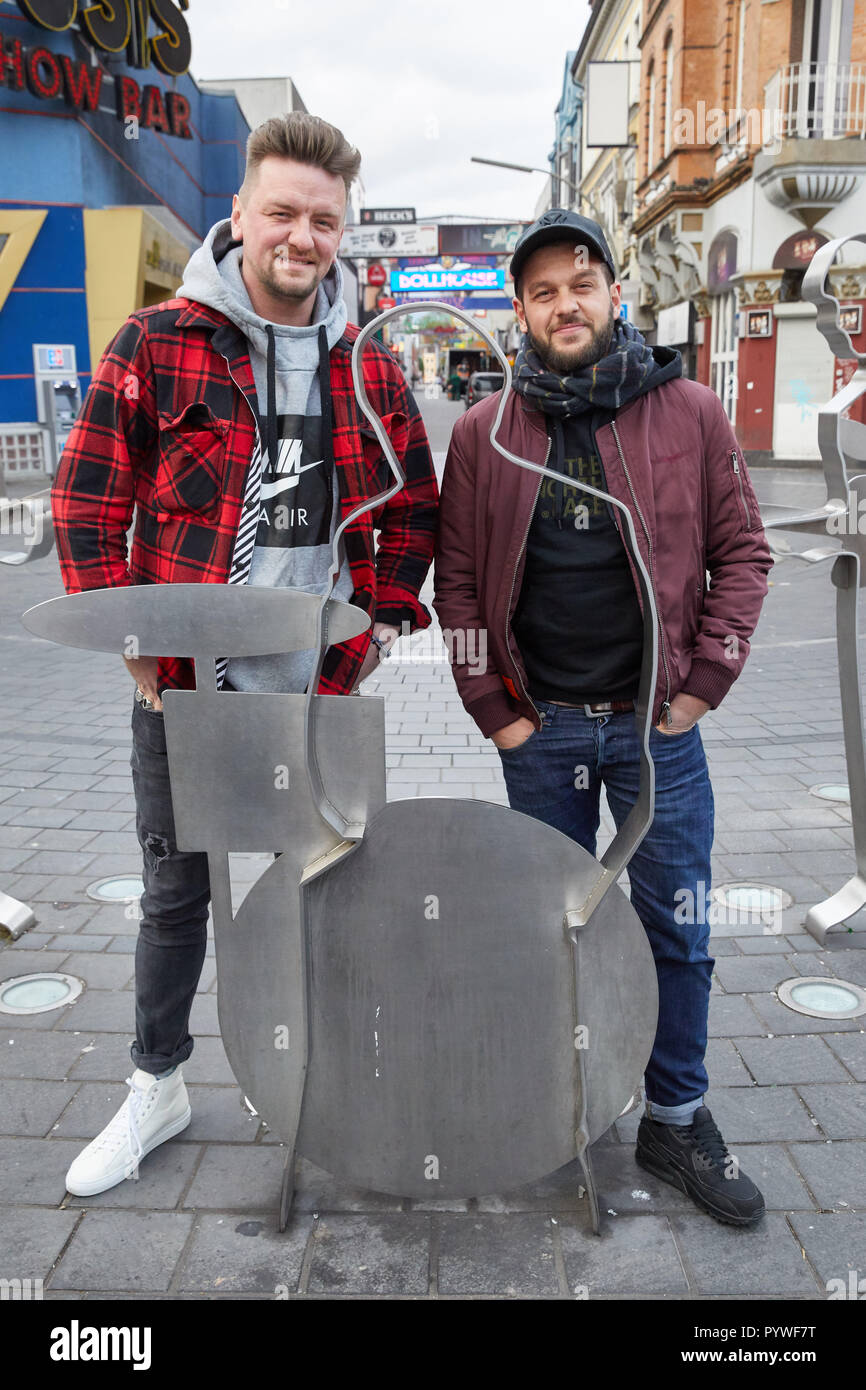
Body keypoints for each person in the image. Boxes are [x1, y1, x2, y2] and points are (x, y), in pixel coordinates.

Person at [51, 112, 438, 1197]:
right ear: (239, 215)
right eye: (281, 211)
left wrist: (383, 622)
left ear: (341, 232)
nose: (301, 236)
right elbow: (87, 494)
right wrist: (125, 634)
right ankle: (156, 1086)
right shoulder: (156, 341)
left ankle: (336, 1085)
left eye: (323, 220)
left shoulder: (367, 360)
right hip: (186, 688)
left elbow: (413, 503)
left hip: (316, 688)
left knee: (332, 892)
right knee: (174, 894)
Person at [433, 209, 773, 1227]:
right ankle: (552, 1105)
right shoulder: (482, 432)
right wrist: (490, 708)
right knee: (545, 933)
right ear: (521, 311)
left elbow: (743, 557)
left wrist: (701, 686)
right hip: (539, 731)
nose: (562, 302)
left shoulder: (689, 414)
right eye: (539, 291)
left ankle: (673, 1116)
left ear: (613, 294)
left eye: (579, 282)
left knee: (678, 927)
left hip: (654, 734)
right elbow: (453, 590)